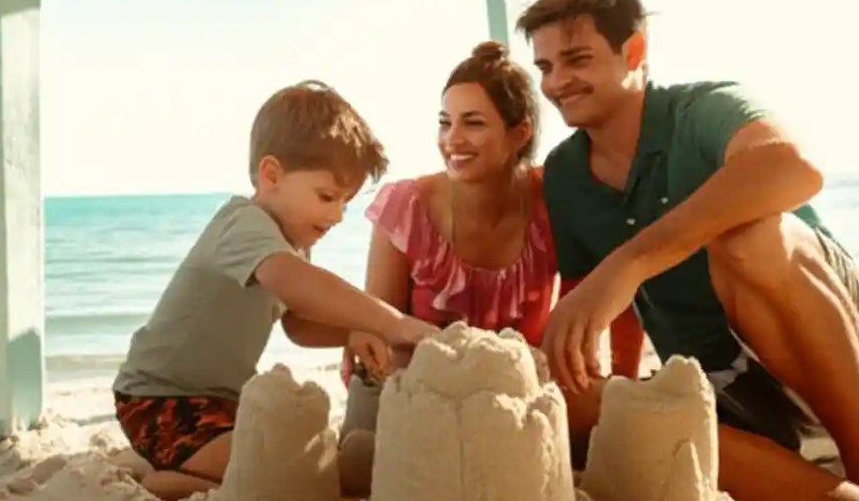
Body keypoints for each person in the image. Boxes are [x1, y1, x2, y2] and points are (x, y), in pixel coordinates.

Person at [520, 0, 859, 501]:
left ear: (633, 52)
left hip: (849, 354)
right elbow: (604, 310)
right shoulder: (565, 173)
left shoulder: (700, 110)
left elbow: (794, 166)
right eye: (545, 66)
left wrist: (629, 262)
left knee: (746, 241)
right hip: (733, 384)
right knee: (583, 400)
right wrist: (616, 386)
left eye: (577, 59)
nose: (556, 82)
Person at [111, 80, 438, 500]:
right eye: (326, 196)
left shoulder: (292, 246)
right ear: (271, 176)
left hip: (222, 405)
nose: (337, 215)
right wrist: (394, 323)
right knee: (282, 471)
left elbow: (299, 324)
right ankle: (165, 481)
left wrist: (350, 333)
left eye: (345, 202)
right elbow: (297, 286)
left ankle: (189, 471)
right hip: (159, 400)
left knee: (286, 460)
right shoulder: (245, 224)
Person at [336, 42, 645, 485]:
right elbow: (381, 332)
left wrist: (621, 380)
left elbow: (612, 288)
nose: (452, 140)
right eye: (445, 123)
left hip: (516, 393)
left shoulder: (554, 199)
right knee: (366, 466)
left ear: (519, 133)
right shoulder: (406, 207)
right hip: (416, 389)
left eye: (473, 123)